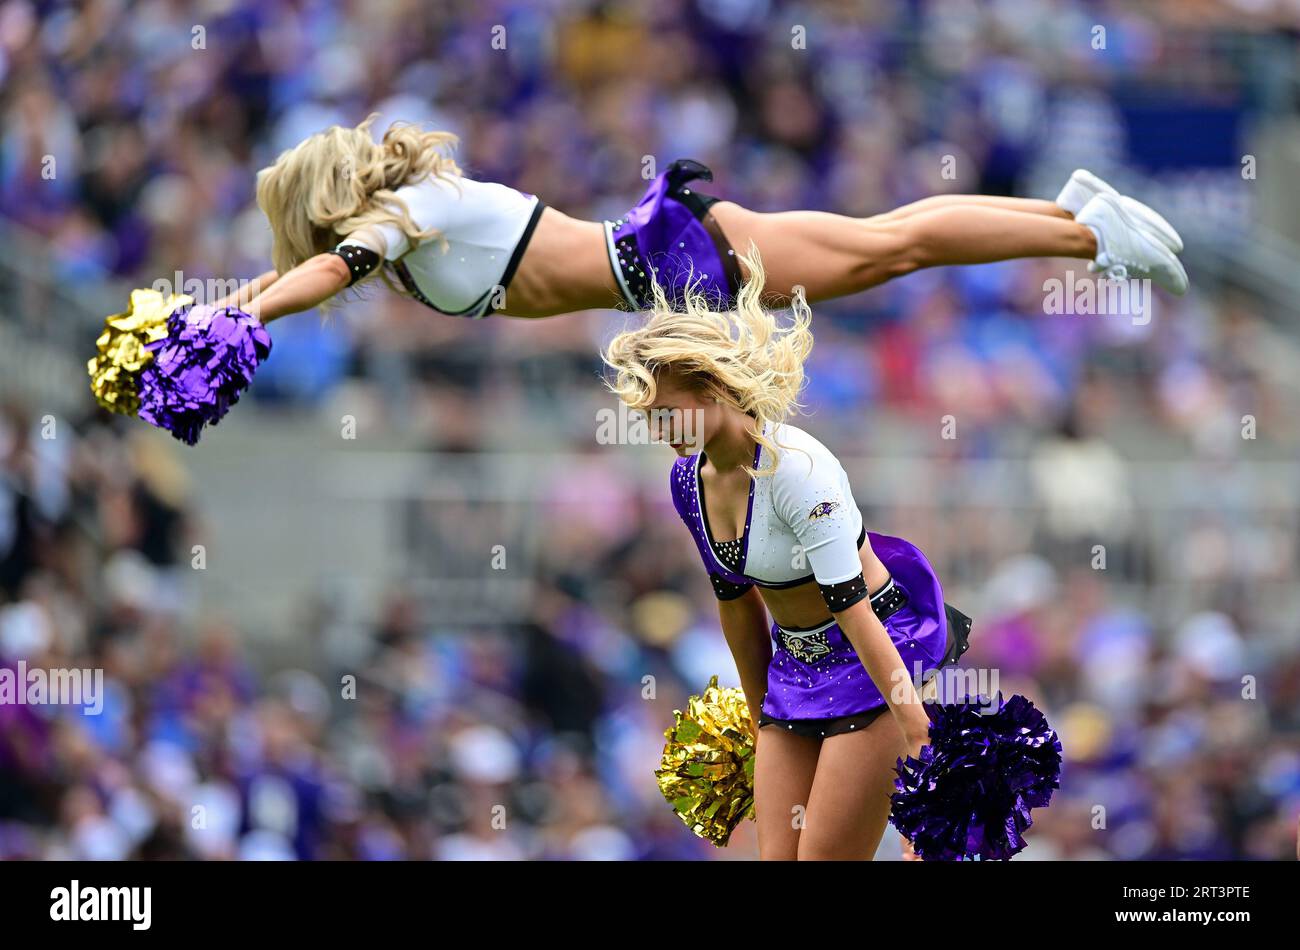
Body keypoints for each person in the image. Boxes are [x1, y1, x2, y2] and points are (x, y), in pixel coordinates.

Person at [601, 254, 974, 861]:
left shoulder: (795, 468)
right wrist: (759, 723)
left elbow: (855, 613)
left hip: (874, 659)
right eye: (648, 417)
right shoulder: (686, 481)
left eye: (665, 410)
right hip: (792, 674)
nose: (656, 428)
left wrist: (918, 740)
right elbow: (738, 610)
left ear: (713, 388)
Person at [216, 115, 1186, 323]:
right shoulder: (398, 237)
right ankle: (1075, 211)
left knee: (898, 245)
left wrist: (244, 322)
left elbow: (327, 272)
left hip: (683, 257)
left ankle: (1089, 235)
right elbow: (306, 272)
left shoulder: (402, 220)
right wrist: (213, 312)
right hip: (675, 260)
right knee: (892, 240)